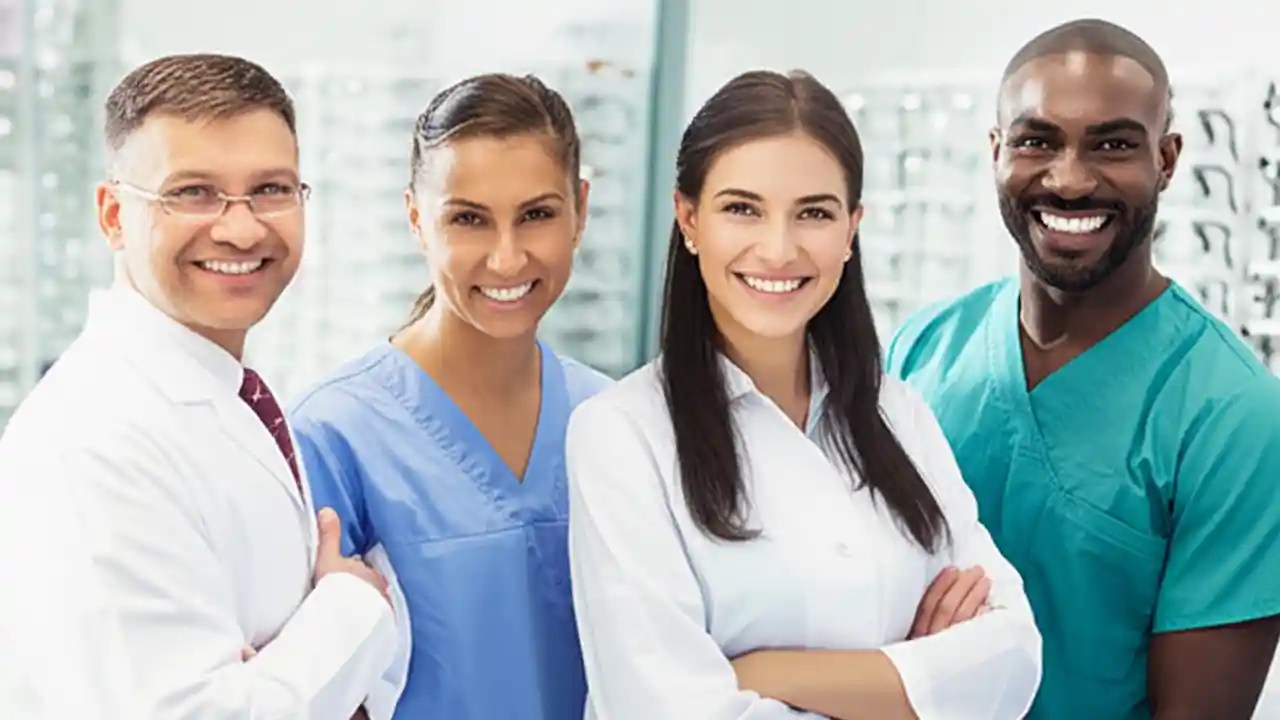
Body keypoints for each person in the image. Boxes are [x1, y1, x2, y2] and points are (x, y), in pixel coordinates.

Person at [564, 69, 1042, 720]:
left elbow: (1012, 656)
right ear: (688, 219)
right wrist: (918, 689)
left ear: (851, 230)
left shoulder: (896, 414)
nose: (778, 248)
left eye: (813, 213)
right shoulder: (621, 436)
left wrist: (769, 674)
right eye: (742, 208)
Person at [887, 19, 1280, 720]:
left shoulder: (1234, 415)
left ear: (1167, 159)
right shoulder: (920, 350)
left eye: (1114, 145)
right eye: (1037, 140)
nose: (1069, 179)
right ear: (995, 151)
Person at [0, 54, 409, 719]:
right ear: (112, 216)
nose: (241, 228)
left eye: (271, 189)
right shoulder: (90, 441)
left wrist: (287, 655)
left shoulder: (225, 387)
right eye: (192, 192)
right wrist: (351, 608)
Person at [288, 73, 611, 719]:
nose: (507, 258)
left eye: (537, 215)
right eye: (468, 219)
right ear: (415, 218)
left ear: (579, 210)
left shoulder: (610, 422)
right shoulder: (335, 435)